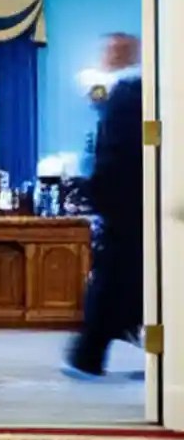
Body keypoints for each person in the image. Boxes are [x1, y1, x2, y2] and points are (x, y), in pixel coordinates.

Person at [65, 32, 144, 378]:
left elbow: (115, 155)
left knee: (113, 279)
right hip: (128, 204)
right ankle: (98, 348)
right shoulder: (124, 91)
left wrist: (97, 194)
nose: (106, 56)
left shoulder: (128, 93)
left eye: (113, 50)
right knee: (125, 279)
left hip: (124, 204)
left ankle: (89, 354)